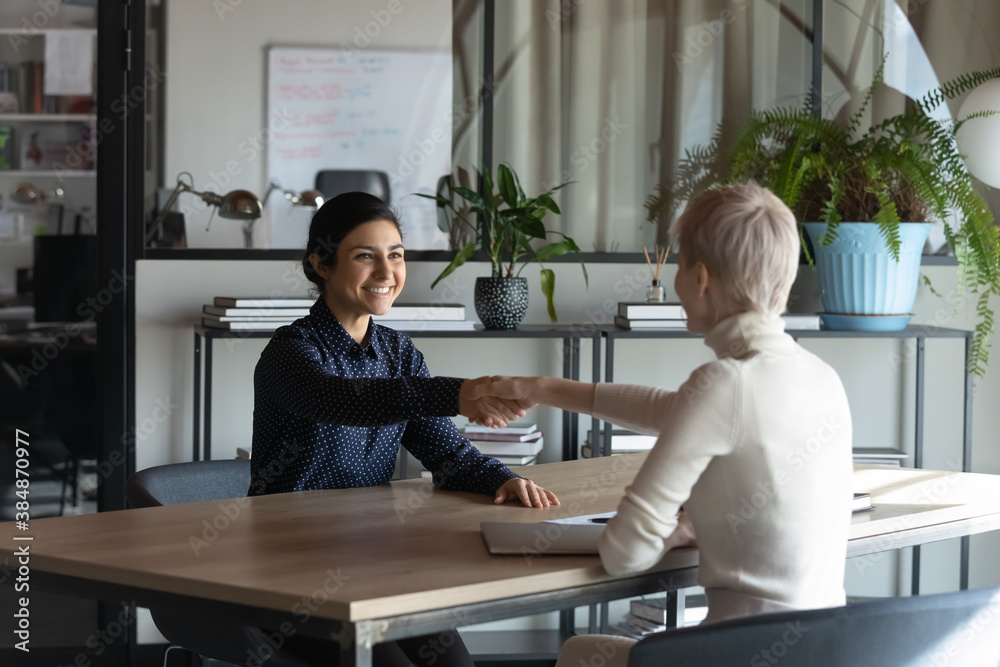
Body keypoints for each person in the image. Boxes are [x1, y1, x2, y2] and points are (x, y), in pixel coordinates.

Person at [470, 182, 854, 666]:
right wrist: (541, 388)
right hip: (823, 653)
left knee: (577, 652)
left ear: (701, 278)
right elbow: (671, 408)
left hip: (737, 655)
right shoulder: (820, 376)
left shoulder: (723, 383)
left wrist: (677, 530)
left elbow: (624, 553)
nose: (672, 279)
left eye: (677, 265)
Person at [251, 191, 559, 666]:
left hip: (371, 558)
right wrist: (455, 393)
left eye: (395, 255)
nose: (386, 272)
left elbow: (448, 455)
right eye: (364, 256)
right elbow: (341, 400)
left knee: (454, 663)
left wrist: (504, 479)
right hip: (290, 571)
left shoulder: (397, 352)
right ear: (321, 264)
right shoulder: (291, 352)